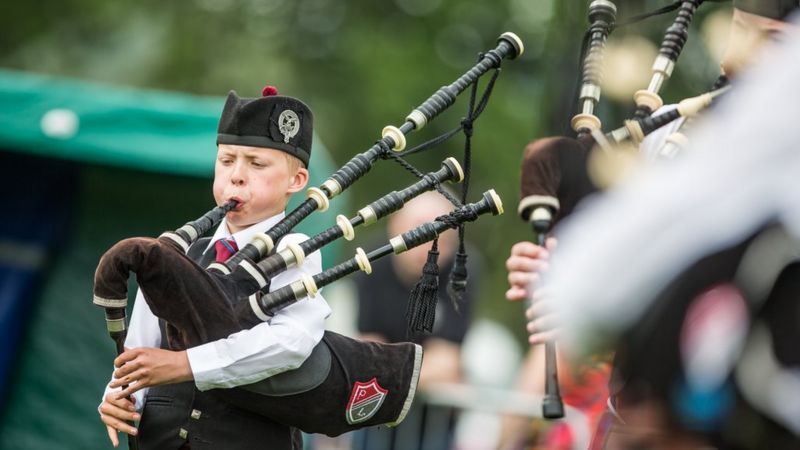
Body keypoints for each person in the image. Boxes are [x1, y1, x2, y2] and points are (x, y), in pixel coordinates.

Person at [506, 2, 799, 447]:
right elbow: (624, 258)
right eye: (738, 31)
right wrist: (554, 273)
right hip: (657, 410)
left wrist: (576, 294)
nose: (737, 57)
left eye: (773, 41)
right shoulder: (673, 133)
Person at [98, 86, 331, 450]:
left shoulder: (295, 250)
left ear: (296, 181)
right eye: (226, 160)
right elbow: (140, 348)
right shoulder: (179, 251)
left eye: (256, 163)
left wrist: (186, 364)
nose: (236, 176)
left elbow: (291, 342)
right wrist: (119, 395)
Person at [353, 190, 479, 450]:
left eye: (441, 239)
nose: (429, 247)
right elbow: (367, 352)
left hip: (432, 426)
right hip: (375, 420)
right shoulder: (370, 260)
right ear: (394, 227)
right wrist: (421, 372)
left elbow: (446, 361)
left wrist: (388, 370)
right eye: (419, 232)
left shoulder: (463, 270)